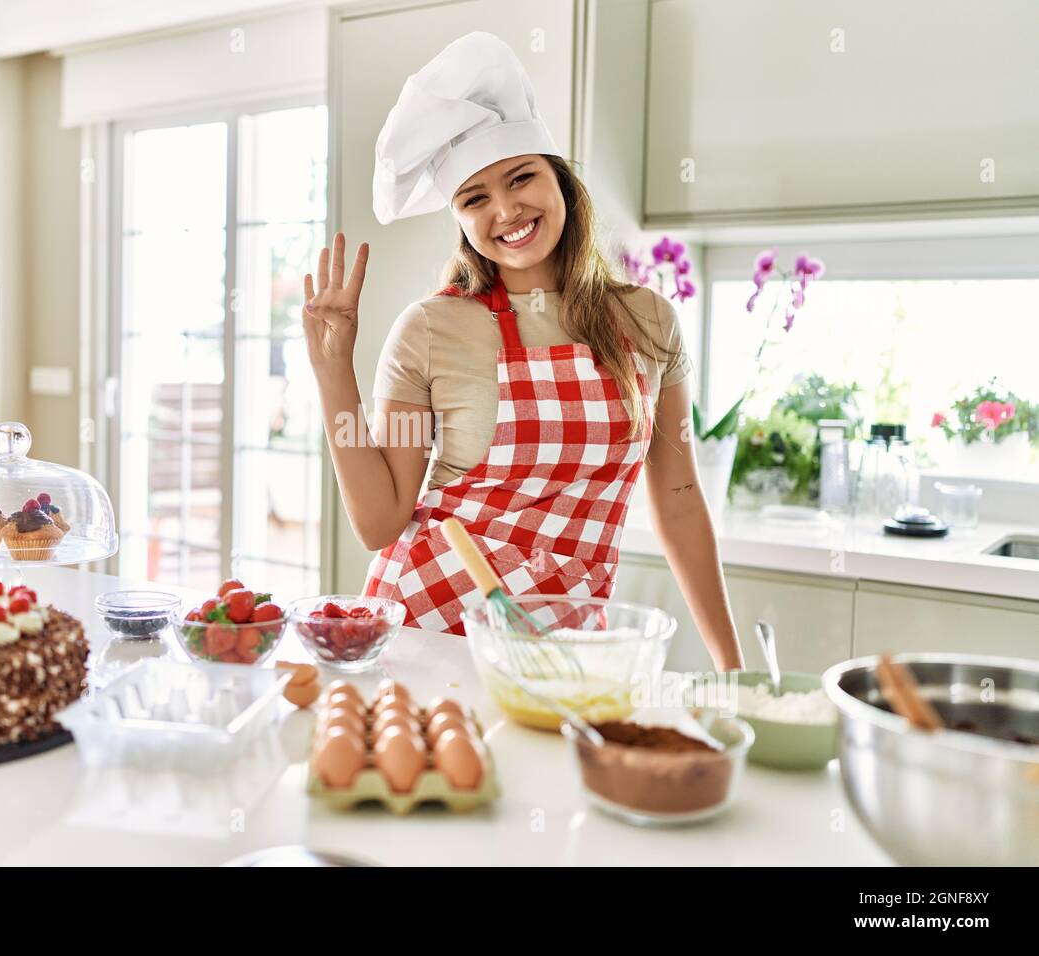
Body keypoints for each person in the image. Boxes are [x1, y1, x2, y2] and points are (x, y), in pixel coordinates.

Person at [302, 32, 742, 669]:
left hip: (566, 643)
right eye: (474, 198)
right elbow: (380, 524)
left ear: (558, 178)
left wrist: (732, 666)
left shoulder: (648, 321)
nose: (506, 210)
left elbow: (677, 500)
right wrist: (332, 368)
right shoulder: (430, 329)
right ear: (459, 218)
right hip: (434, 629)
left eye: (520, 178)